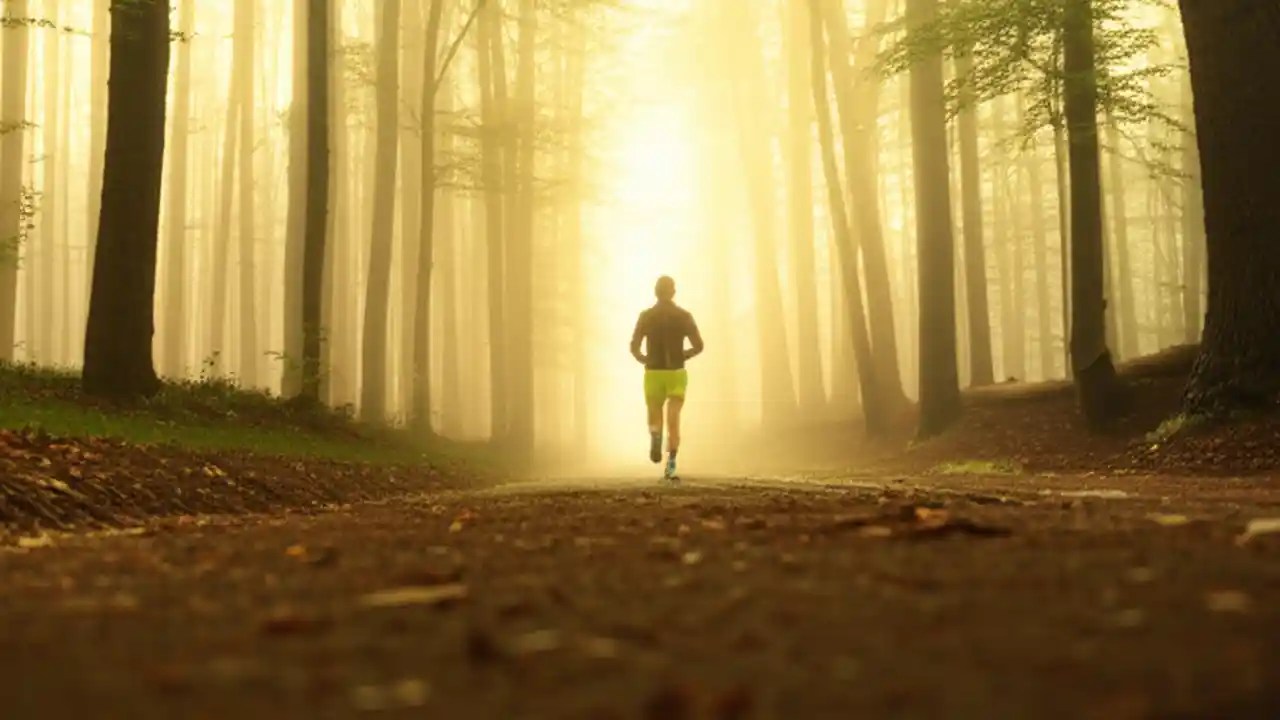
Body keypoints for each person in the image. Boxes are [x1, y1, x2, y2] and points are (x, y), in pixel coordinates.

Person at [630, 276, 704, 481]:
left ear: (656, 292)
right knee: (674, 419)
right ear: (673, 292)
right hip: (676, 373)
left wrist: (644, 359)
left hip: (653, 372)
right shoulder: (684, 316)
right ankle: (671, 464)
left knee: (654, 412)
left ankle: (655, 436)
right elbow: (699, 345)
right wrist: (684, 355)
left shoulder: (645, 316)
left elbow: (634, 346)